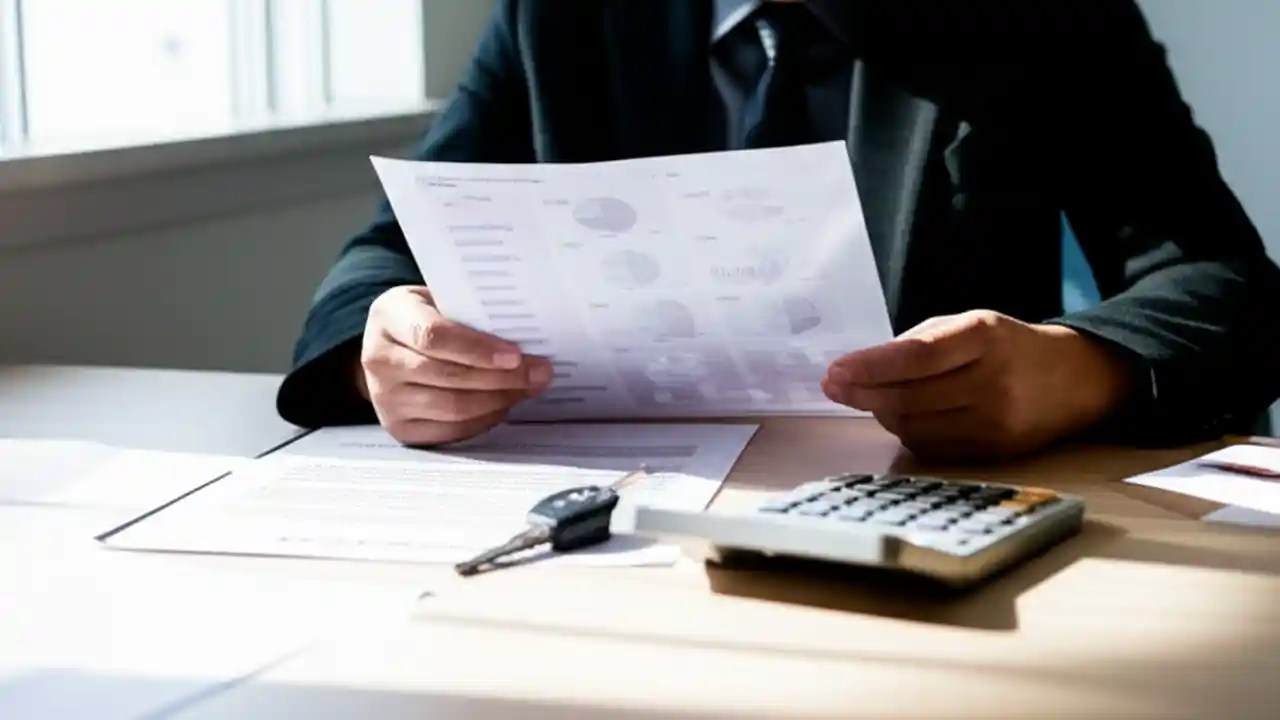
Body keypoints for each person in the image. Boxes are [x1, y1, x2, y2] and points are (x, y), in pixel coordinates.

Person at [277, 0, 1280, 459]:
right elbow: (382, 253)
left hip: (921, 530)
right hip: (608, 530)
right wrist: (384, 346)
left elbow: (1228, 284)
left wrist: (1076, 367)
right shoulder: (560, 19)